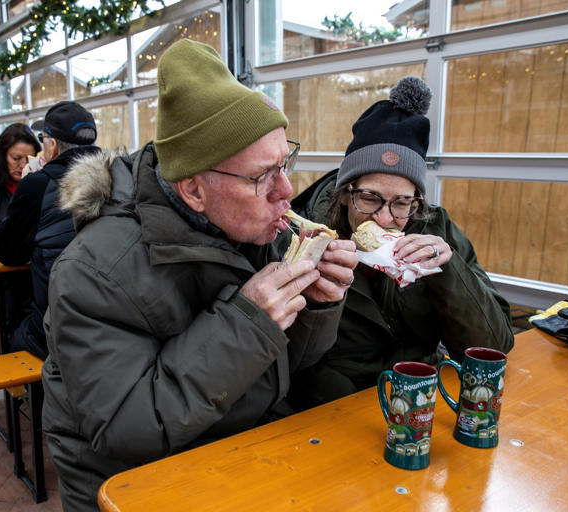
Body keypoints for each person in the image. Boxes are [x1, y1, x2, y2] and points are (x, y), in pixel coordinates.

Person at [42, 40, 358, 510]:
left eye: (285, 163)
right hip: (132, 485)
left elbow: (291, 367)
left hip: (234, 456)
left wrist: (316, 303)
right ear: (193, 189)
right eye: (263, 176)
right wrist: (249, 322)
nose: (287, 192)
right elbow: (125, 429)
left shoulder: (253, 230)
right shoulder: (93, 272)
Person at [286, 77, 515, 410]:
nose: (383, 218)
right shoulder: (306, 237)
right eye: (369, 198)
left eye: (401, 203)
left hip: (423, 391)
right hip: (337, 402)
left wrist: (448, 272)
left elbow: (494, 345)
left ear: (416, 200)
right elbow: (292, 363)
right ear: (346, 194)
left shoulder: (436, 229)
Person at [0, 101, 101, 360]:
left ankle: (28, 396)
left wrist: (30, 183)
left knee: (11, 323)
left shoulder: (38, 184)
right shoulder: (118, 176)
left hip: (56, 330)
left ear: (51, 145)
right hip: (110, 320)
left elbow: (7, 253)